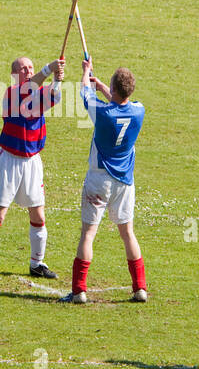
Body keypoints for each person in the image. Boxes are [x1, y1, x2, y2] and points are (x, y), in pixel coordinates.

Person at [60, 60, 147, 304]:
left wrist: (86, 72)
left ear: (114, 88)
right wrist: (101, 85)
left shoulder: (102, 113)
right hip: (125, 183)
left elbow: (82, 92)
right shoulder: (138, 110)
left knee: (88, 234)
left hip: (99, 180)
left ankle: (78, 290)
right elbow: (118, 103)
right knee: (128, 233)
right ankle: (140, 287)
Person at [0, 55, 66, 280]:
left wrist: (57, 79)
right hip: (10, 160)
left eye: (30, 67)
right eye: (23, 68)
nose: (27, 70)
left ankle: (37, 263)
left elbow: (53, 96)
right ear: (15, 75)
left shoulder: (38, 94)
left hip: (33, 160)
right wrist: (47, 69)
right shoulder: (10, 94)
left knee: (38, 214)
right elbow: (28, 87)